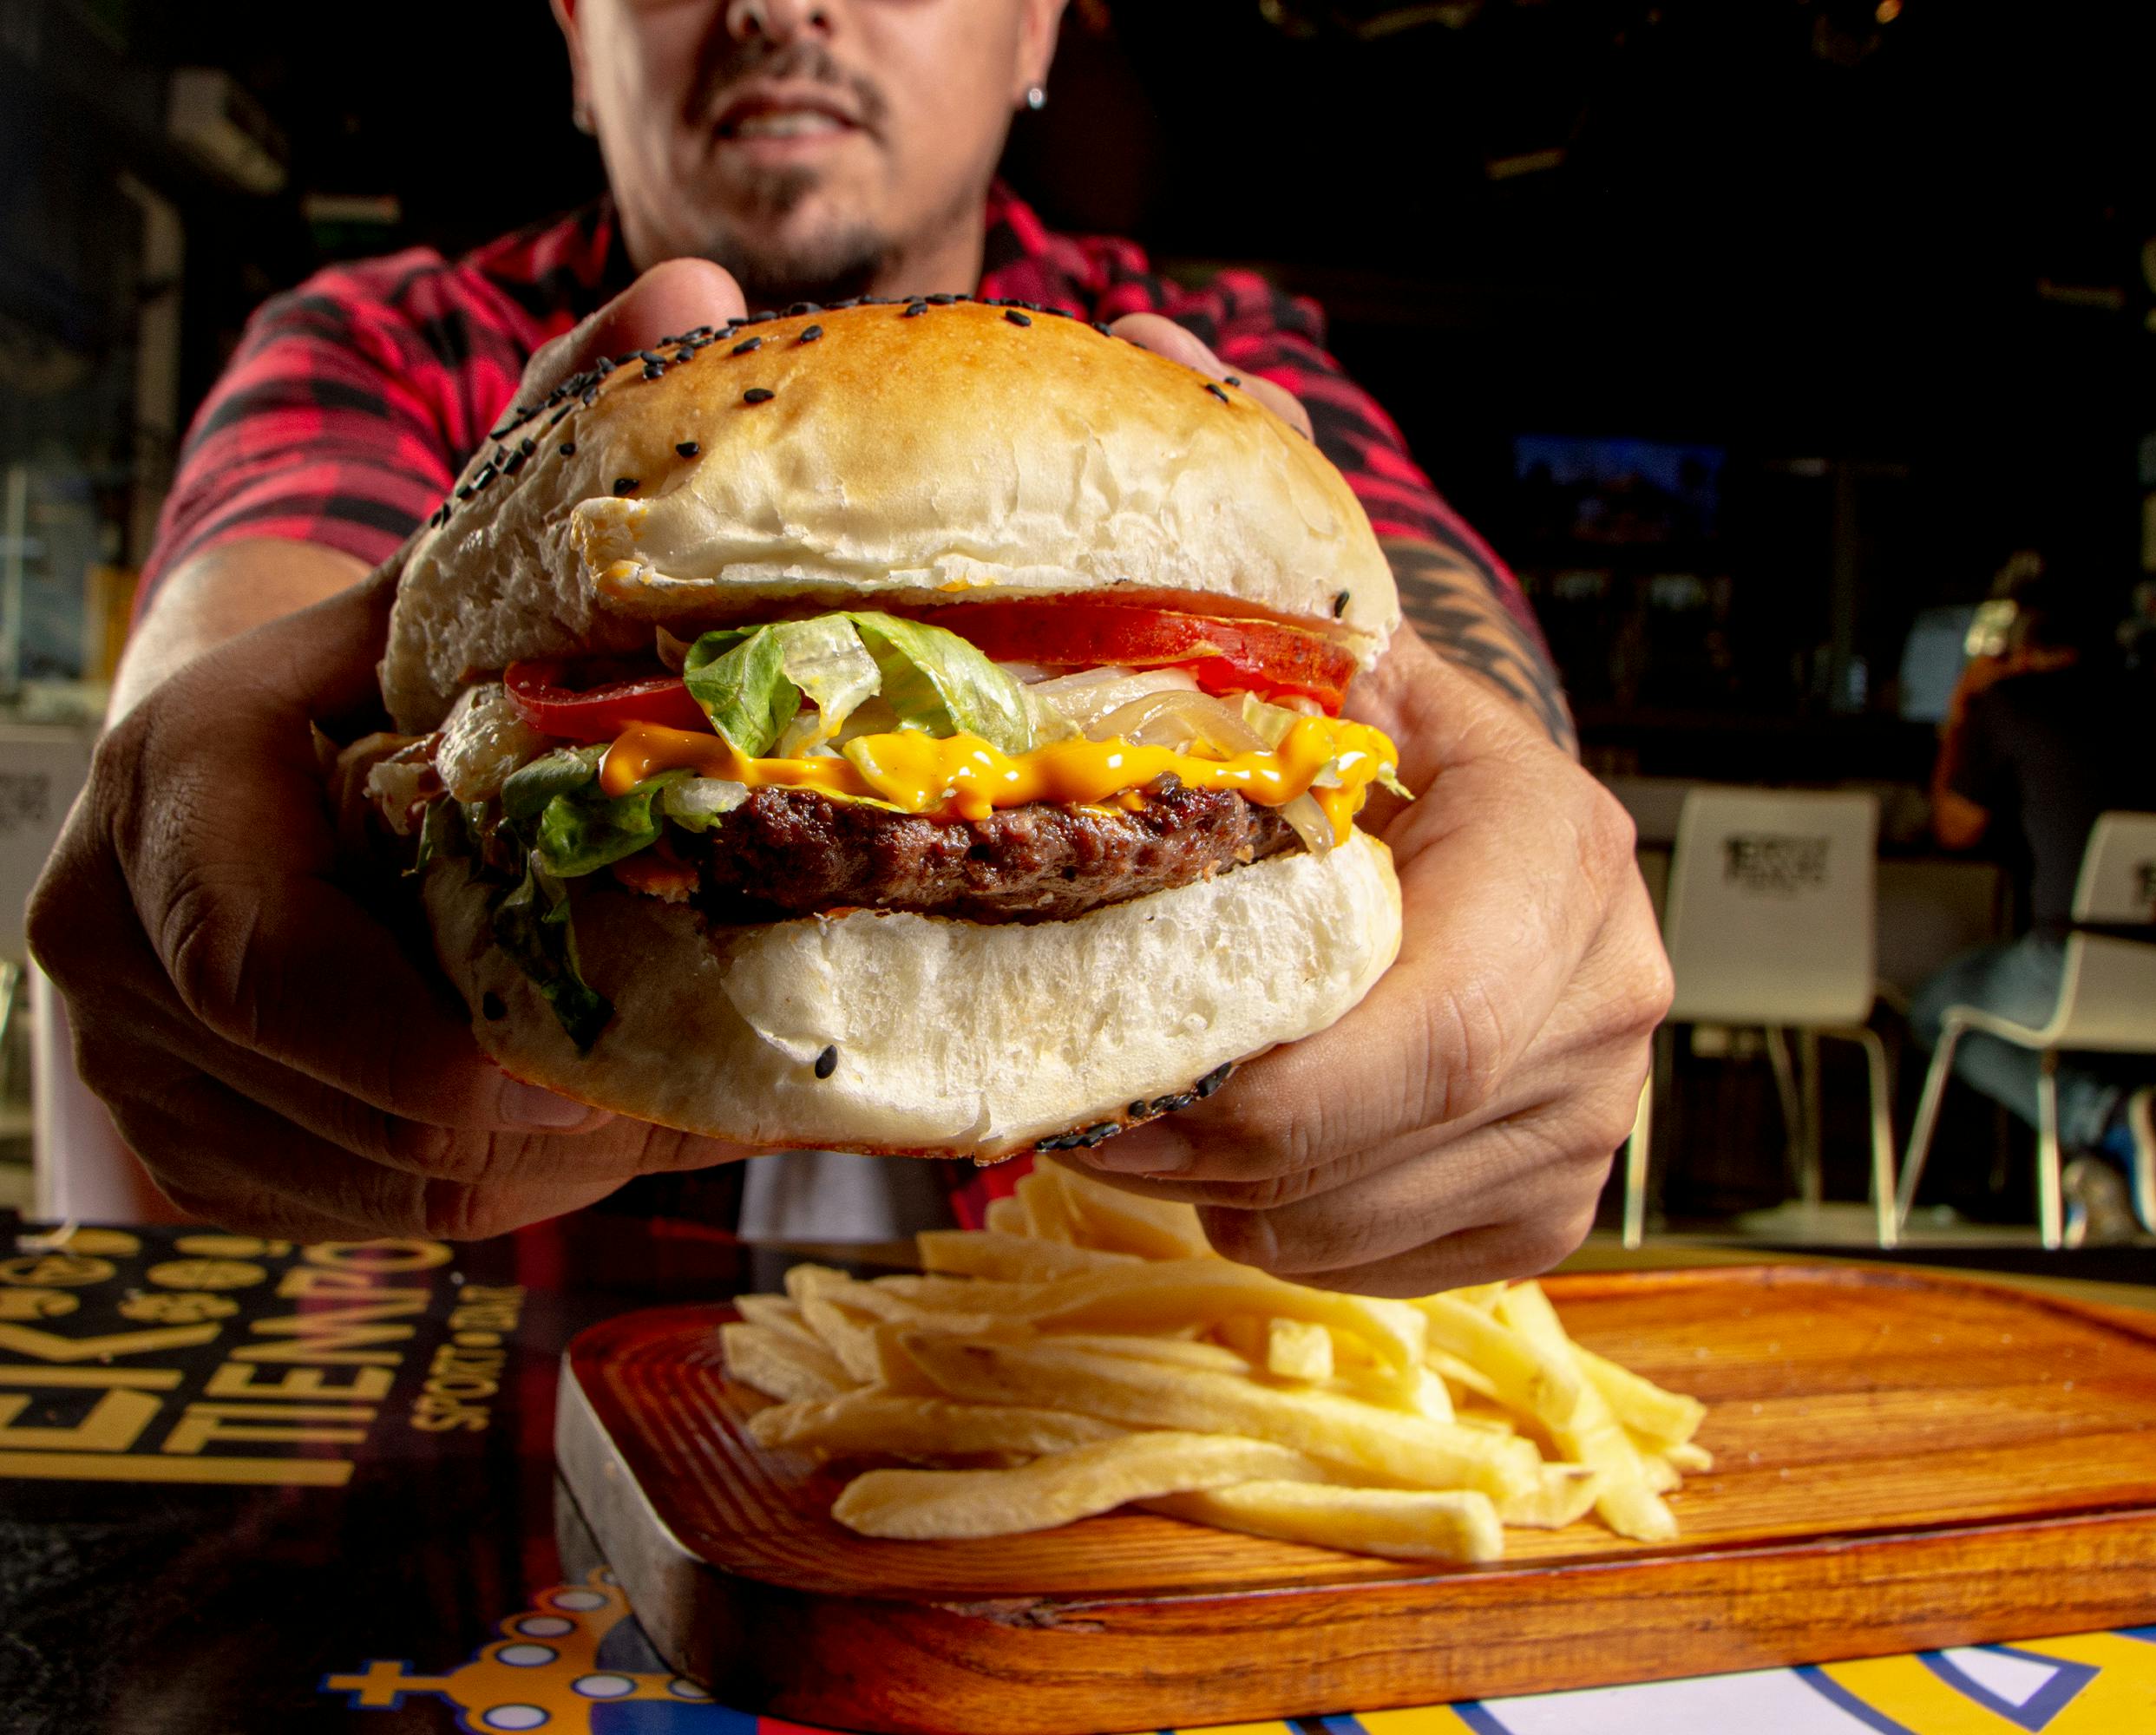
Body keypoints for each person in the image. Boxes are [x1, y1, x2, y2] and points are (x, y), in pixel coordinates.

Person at [25, 0, 1671, 1296]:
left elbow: (1444, 681)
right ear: (571, 38)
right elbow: (222, 670)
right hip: (483, 1489)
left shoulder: (1220, 365)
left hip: (1074, 1526)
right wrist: (187, 838)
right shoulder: (394, 344)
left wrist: (1523, 924)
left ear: (1038, 27)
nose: (777, 3)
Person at [1911, 556, 2156, 1244]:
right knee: (2055, 1016)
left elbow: (1954, 827)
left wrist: (1962, 709)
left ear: (2023, 635)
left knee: (1941, 1009)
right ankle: (2101, 1181)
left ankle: (2103, 1117)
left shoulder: (2012, 706)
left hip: (2078, 966)